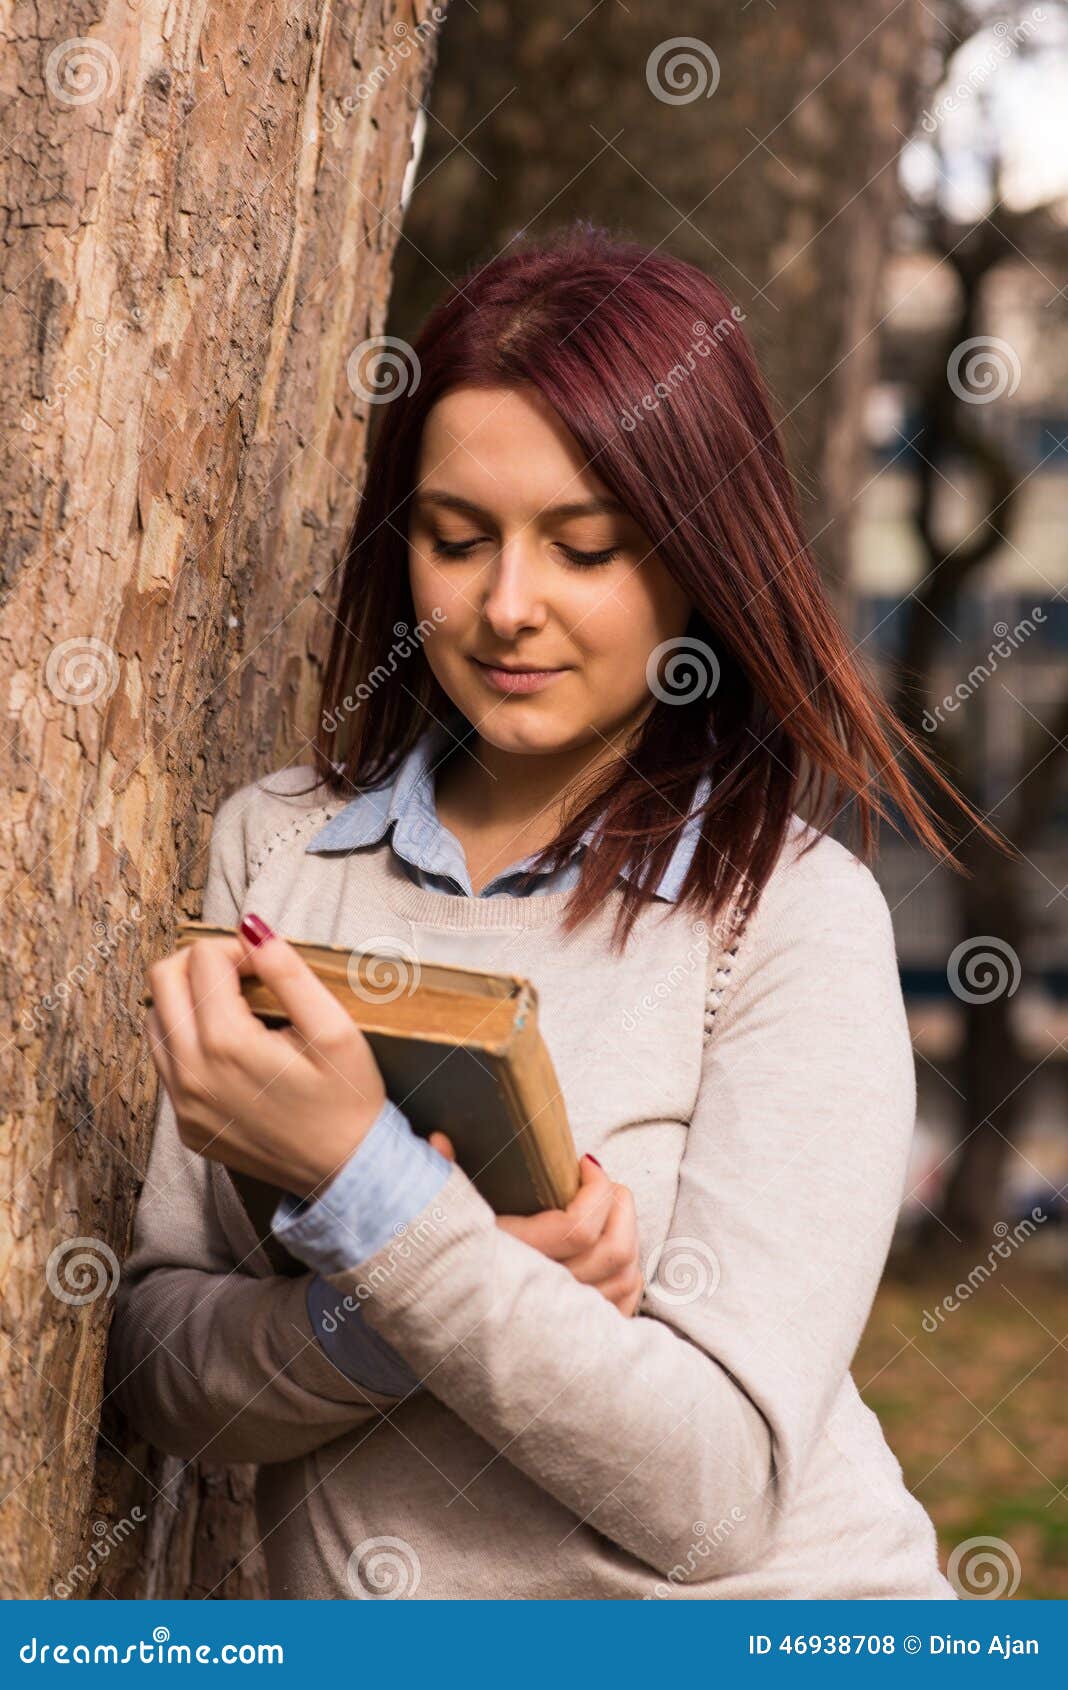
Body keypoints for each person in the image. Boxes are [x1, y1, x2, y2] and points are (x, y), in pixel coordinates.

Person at [106, 223, 997, 1600]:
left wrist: (372, 1192)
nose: (507, 606)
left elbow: (714, 1490)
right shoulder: (275, 854)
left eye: (584, 548)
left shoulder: (793, 918)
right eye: (458, 540)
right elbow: (162, 1367)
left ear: (700, 559)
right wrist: (387, 1303)